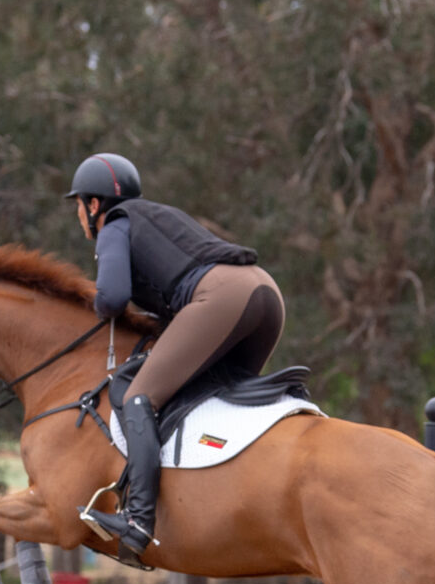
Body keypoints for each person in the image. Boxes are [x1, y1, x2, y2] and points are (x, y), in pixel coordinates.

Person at [65, 153, 286, 561]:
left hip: (223, 298)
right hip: (265, 295)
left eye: (78, 205)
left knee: (136, 395)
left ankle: (137, 521)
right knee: (208, 400)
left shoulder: (115, 223)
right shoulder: (158, 215)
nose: (78, 215)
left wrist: (91, 305)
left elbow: (111, 299)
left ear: (93, 205)